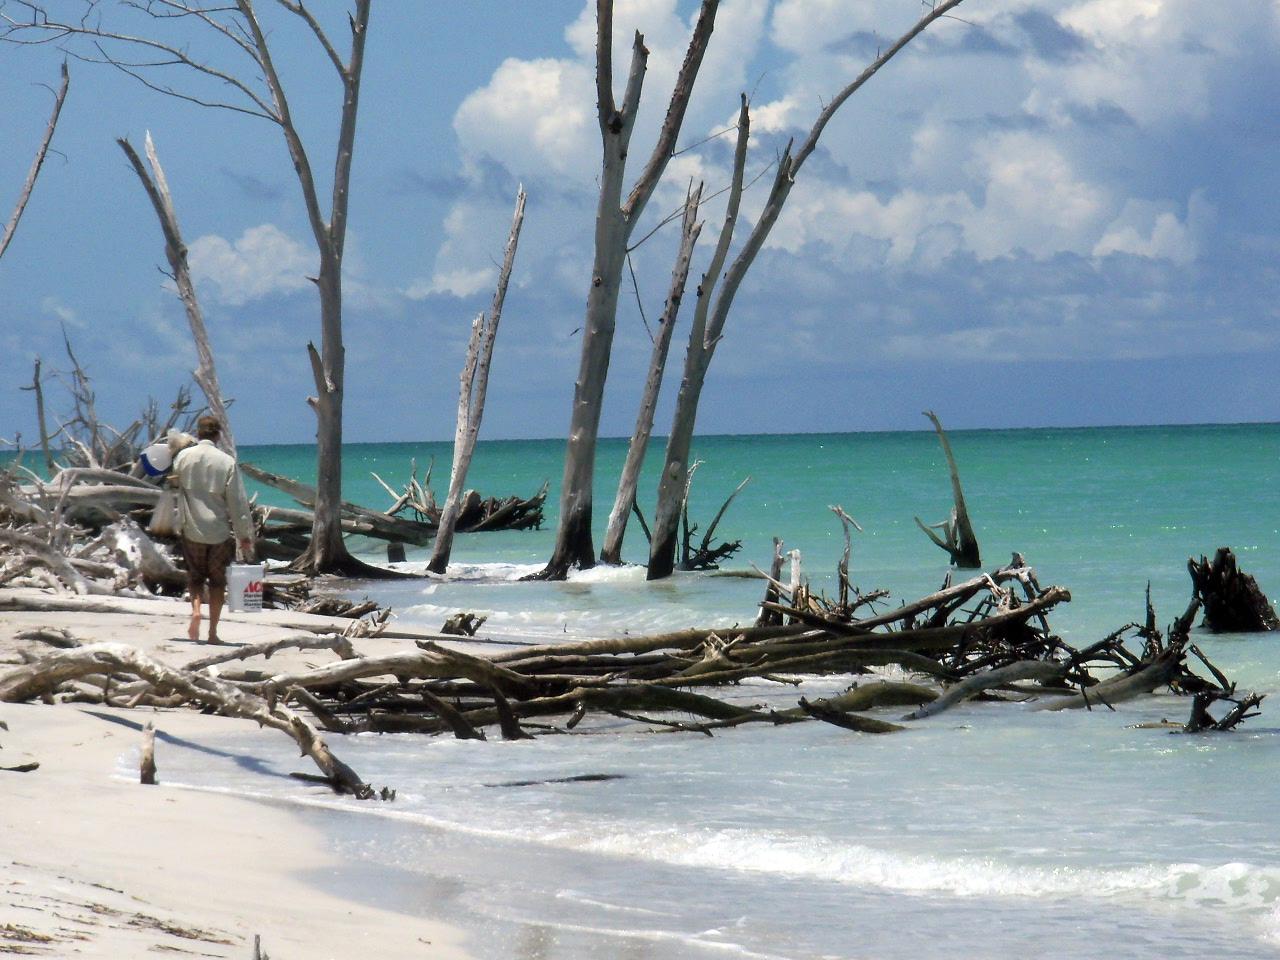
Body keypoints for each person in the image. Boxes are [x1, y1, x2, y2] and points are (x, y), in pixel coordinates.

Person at [172, 415, 254, 644]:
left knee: (196, 577)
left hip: (191, 529)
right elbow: (237, 503)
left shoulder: (183, 458)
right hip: (218, 532)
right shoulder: (226, 462)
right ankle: (212, 633)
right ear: (218, 435)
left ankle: (196, 610)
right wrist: (244, 536)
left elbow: (172, 485)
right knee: (217, 582)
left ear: (198, 433)